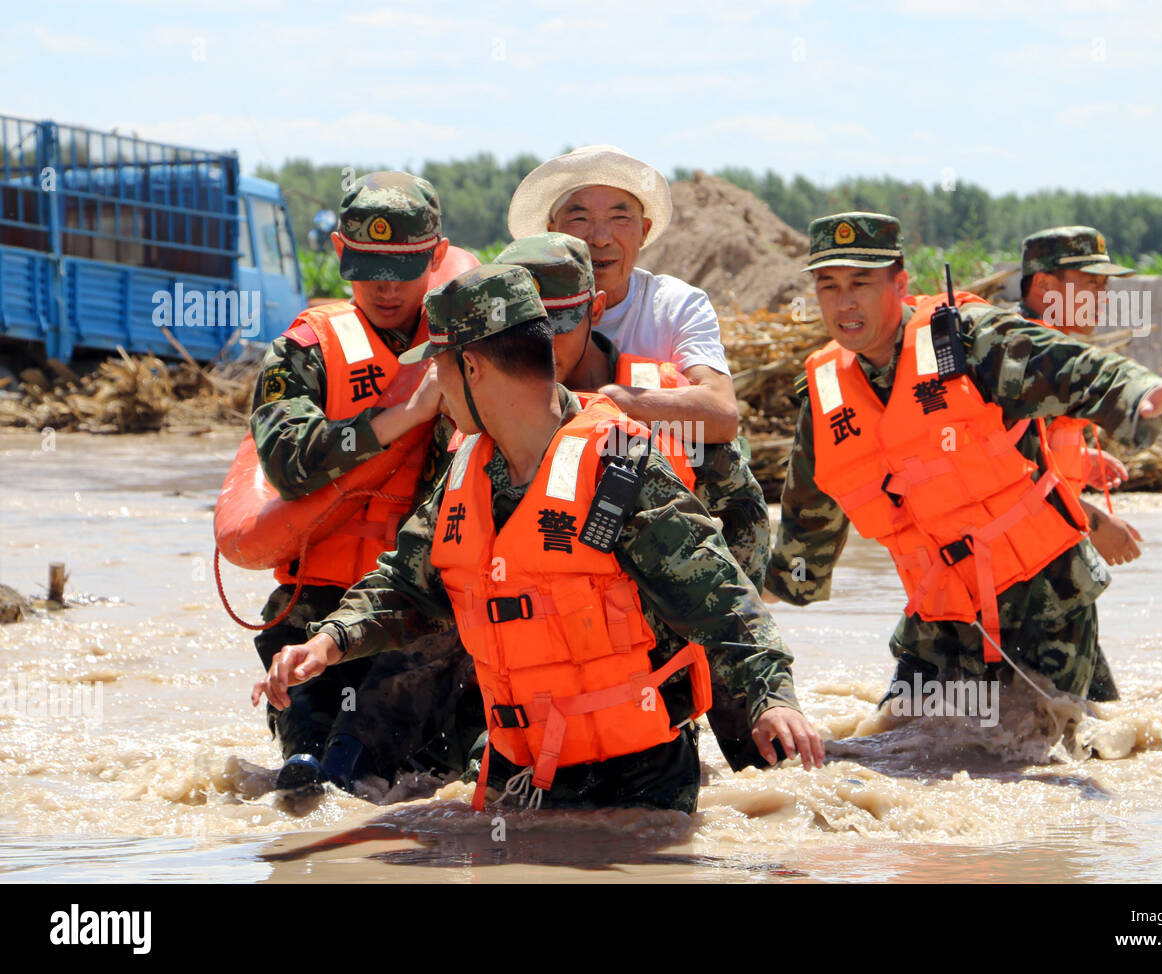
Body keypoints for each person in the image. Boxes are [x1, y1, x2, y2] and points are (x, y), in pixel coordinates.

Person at [254, 264, 824, 812]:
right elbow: (406, 584)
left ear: (471, 369)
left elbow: (721, 600)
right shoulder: (466, 466)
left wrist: (773, 699)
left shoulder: (617, 467)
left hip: (636, 779)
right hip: (517, 766)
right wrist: (327, 643)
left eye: (440, 369)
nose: (435, 387)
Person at [765, 212, 1162, 703]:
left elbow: (1063, 363)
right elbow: (808, 524)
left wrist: (1138, 394)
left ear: (900, 283)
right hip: (940, 609)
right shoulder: (827, 392)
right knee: (898, 744)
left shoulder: (965, 340)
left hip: (1042, 596)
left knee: (1062, 747)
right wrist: (748, 602)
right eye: (828, 286)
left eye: (861, 283)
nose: (845, 302)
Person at [496, 232, 776, 770]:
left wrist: (728, 656)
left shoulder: (665, 411)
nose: (543, 348)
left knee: (754, 769)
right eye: (525, 332)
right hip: (541, 652)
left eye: (558, 327)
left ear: (593, 310)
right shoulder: (486, 410)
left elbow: (743, 523)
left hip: (657, 644)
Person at [247, 171, 453, 790]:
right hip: (315, 599)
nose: (386, 286)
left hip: (419, 598)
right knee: (309, 777)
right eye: (367, 266)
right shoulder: (302, 351)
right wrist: (402, 418)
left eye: (405, 266)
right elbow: (284, 458)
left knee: (389, 771)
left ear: (437, 257)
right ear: (339, 251)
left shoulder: (467, 341)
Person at [508, 144, 739, 444]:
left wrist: (611, 400)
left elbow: (721, 415)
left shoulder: (676, 306)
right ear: (552, 231)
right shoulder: (523, 305)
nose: (601, 239)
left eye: (620, 219)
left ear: (643, 231)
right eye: (580, 219)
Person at [1019, 226, 1145, 567]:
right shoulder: (1025, 356)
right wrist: (1094, 522)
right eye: (1091, 284)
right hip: (1021, 566)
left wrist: (1077, 457)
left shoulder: (1050, 347)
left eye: (1104, 287)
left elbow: (1031, 442)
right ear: (1044, 285)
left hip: (1043, 549)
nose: (1102, 297)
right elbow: (1009, 474)